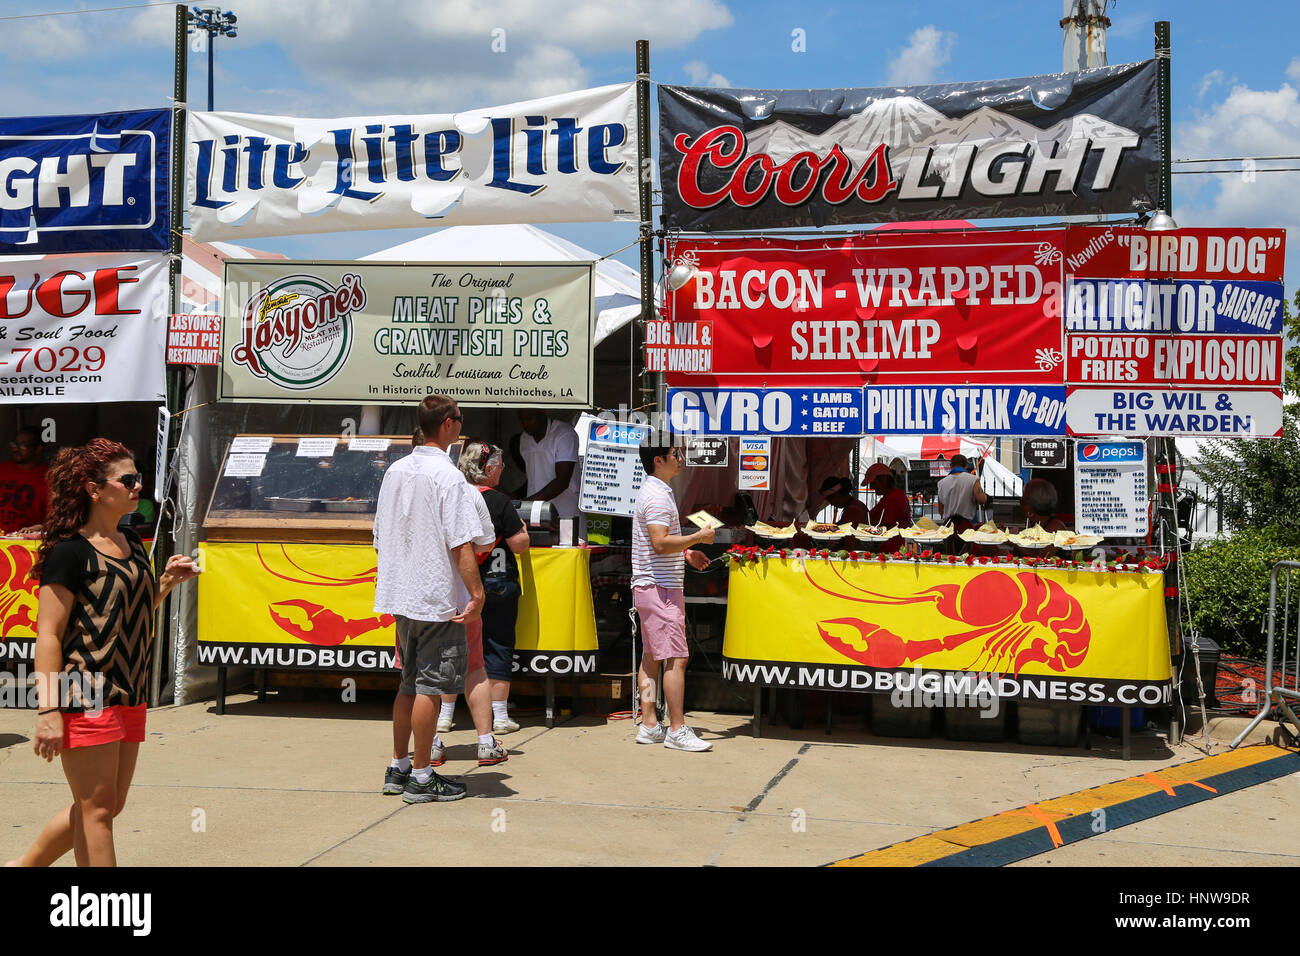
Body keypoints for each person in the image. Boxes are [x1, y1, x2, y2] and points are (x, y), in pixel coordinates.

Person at [6, 439, 200, 867]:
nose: (138, 487)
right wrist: (48, 710)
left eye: (139, 478)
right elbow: (50, 635)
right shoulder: (70, 553)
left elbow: (123, 616)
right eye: (127, 480)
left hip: (129, 691)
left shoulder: (129, 539)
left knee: (104, 807)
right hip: (84, 693)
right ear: (95, 490)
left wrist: (166, 582)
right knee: (97, 813)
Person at [374, 395, 490, 804]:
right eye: (459, 418)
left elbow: (378, 537)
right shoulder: (448, 476)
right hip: (436, 596)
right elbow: (461, 543)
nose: (461, 425)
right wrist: (476, 593)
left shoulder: (395, 471)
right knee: (428, 685)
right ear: (446, 424)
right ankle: (421, 775)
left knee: (409, 684)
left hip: (403, 595)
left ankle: (399, 765)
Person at [632, 442, 715, 752]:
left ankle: (651, 724)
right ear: (659, 460)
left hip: (654, 585)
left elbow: (661, 542)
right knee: (676, 658)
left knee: (652, 656)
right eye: (675, 455)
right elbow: (658, 542)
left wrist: (687, 551)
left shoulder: (657, 490)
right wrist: (697, 537)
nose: (681, 460)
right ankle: (677, 729)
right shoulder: (655, 495)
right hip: (659, 588)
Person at [451, 440, 529, 734]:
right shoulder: (498, 501)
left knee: (457, 648)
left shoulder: (455, 497)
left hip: (462, 586)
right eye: (501, 466)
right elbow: (519, 545)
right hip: (498, 583)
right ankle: (500, 716)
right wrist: (520, 526)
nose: (503, 471)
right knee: (498, 646)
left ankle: (446, 715)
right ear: (491, 469)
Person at [516, 409, 582, 536]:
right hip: (535, 515)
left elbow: (562, 481)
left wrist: (527, 503)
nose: (525, 424)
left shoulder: (564, 434)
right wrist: (517, 498)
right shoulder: (524, 438)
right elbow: (535, 478)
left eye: (529, 419)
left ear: (542, 412)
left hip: (565, 515)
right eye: (522, 420)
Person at [0, 426, 50, 534]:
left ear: (38, 449)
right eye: (14, 444)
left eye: (23, 445)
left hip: (25, 545)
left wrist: (38, 528)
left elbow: (56, 520)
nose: (16, 449)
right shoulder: (2, 469)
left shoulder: (48, 478)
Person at [935, 454, 988, 534]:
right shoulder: (973, 479)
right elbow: (982, 500)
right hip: (967, 527)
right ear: (966, 466)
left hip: (948, 527)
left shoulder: (941, 483)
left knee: (951, 546)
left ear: (950, 465)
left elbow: (941, 510)